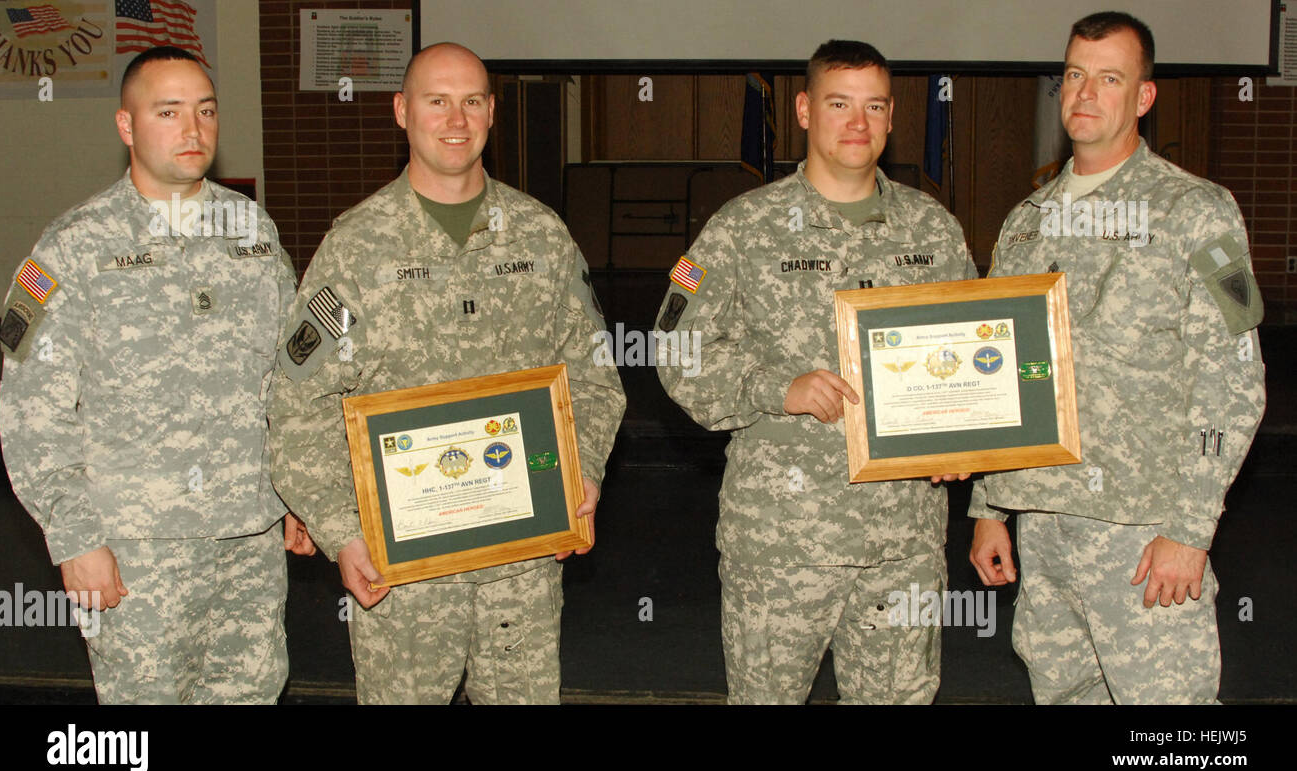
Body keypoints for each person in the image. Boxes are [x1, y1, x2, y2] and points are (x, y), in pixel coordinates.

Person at [267, 42, 625, 705]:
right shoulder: (357, 247)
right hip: (401, 573)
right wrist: (340, 530)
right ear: (403, 111)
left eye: (471, 102)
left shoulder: (541, 237)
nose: (455, 120)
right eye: (437, 101)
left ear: (490, 112)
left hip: (520, 557)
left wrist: (586, 474)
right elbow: (298, 401)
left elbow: (595, 375)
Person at [654, 40, 975, 704]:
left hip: (902, 543)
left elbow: (974, 354)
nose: (858, 123)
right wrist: (778, 389)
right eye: (839, 104)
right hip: (781, 546)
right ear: (804, 109)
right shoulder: (742, 229)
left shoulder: (934, 231)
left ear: (891, 116)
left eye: (874, 106)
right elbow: (674, 347)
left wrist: (964, 438)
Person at [0, 46, 311, 704]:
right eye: (168, 112)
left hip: (247, 539)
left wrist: (301, 494)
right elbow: (30, 407)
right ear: (126, 125)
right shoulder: (71, 247)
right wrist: (74, 535)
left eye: (205, 110)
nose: (192, 130)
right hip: (135, 547)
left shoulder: (252, 231)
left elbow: (289, 378)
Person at [968, 12, 1266, 704]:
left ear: (1143, 98)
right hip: (1044, 530)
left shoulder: (1196, 213)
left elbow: (1234, 383)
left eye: (1109, 78)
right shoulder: (1027, 221)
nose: (1086, 93)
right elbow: (999, 372)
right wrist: (990, 505)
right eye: (1074, 75)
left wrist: (1189, 531)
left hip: (1141, 536)